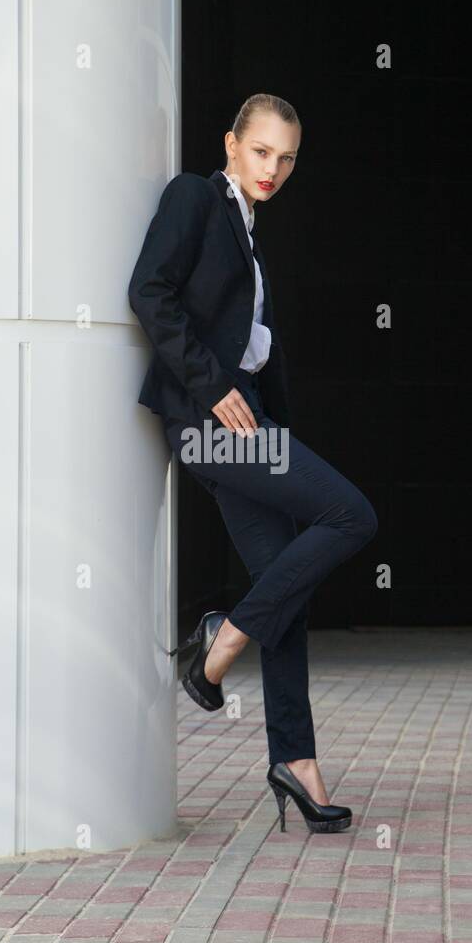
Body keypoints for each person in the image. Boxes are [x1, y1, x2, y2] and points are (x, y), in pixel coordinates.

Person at [128, 93, 377, 833]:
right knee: (352, 513)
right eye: (261, 151)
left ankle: (293, 762)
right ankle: (223, 639)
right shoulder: (195, 199)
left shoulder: (249, 229)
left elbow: (253, 340)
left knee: (287, 594)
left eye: (287, 157)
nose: (273, 167)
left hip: (247, 420)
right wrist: (212, 390)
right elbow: (149, 291)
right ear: (231, 144)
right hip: (211, 421)